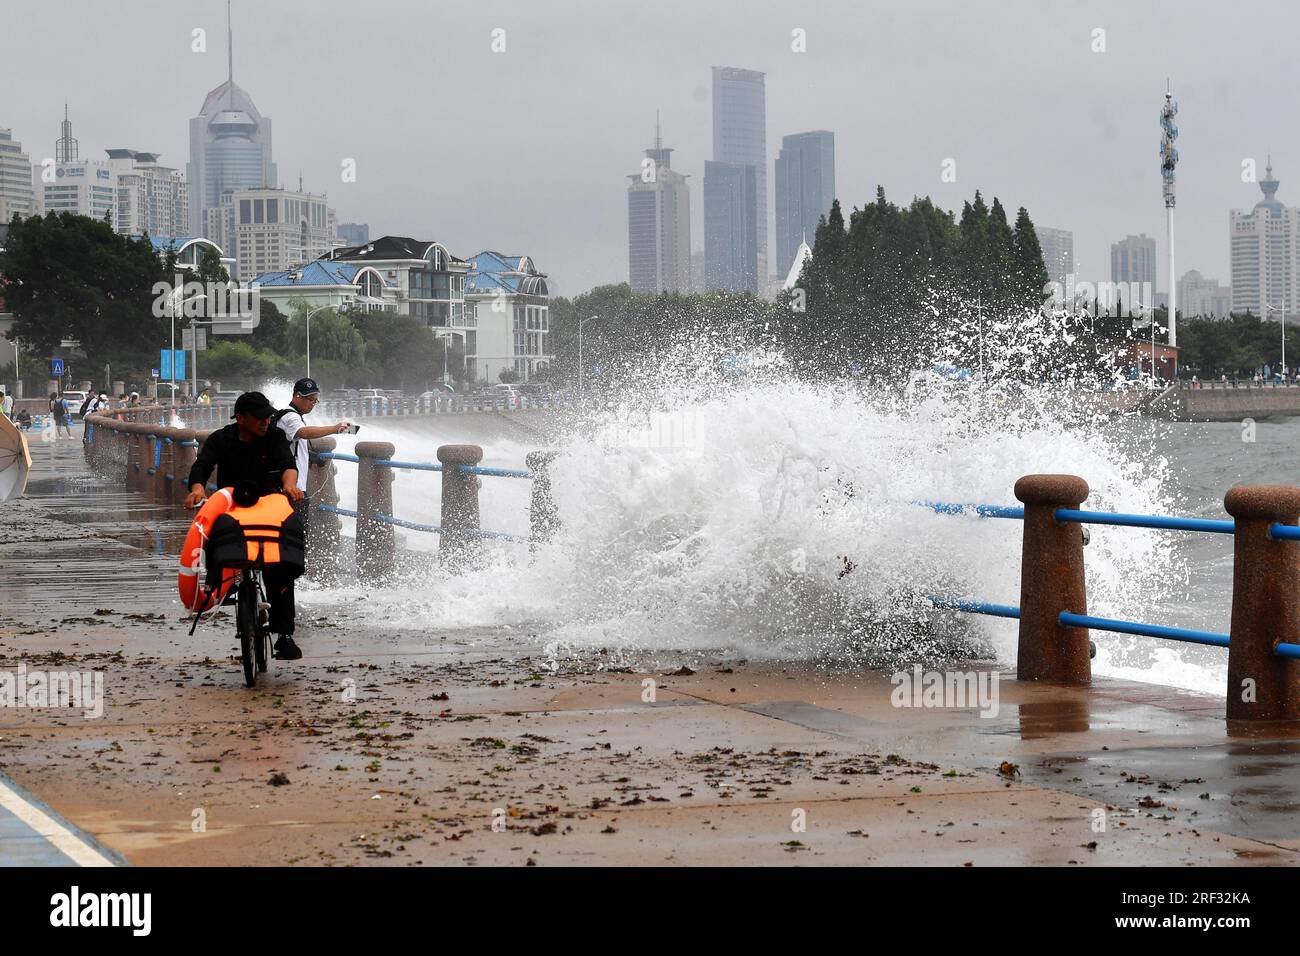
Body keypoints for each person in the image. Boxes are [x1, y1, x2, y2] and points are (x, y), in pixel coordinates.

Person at [185, 392, 306, 660]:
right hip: (232, 505)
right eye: (260, 417)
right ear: (240, 418)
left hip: (269, 504)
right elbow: (202, 466)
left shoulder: (274, 437)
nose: (266, 421)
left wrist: (289, 486)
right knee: (214, 534)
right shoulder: (221, 438)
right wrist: (196, 489)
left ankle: (284, 635)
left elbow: (288, 464)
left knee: (279, 566)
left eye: (268, 416)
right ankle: (219, 583)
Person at [273, 378, 351, 544]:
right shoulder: (290, 417)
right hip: (291, 489)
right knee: (294, 540)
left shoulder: (295, 416)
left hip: (295, 487)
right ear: (297, 396)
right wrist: (334, 429)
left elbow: (296, 445)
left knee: (295, 538)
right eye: (310, 399)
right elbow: (303, 432)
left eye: (315, 400)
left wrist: (312, 457)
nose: (312, 403)